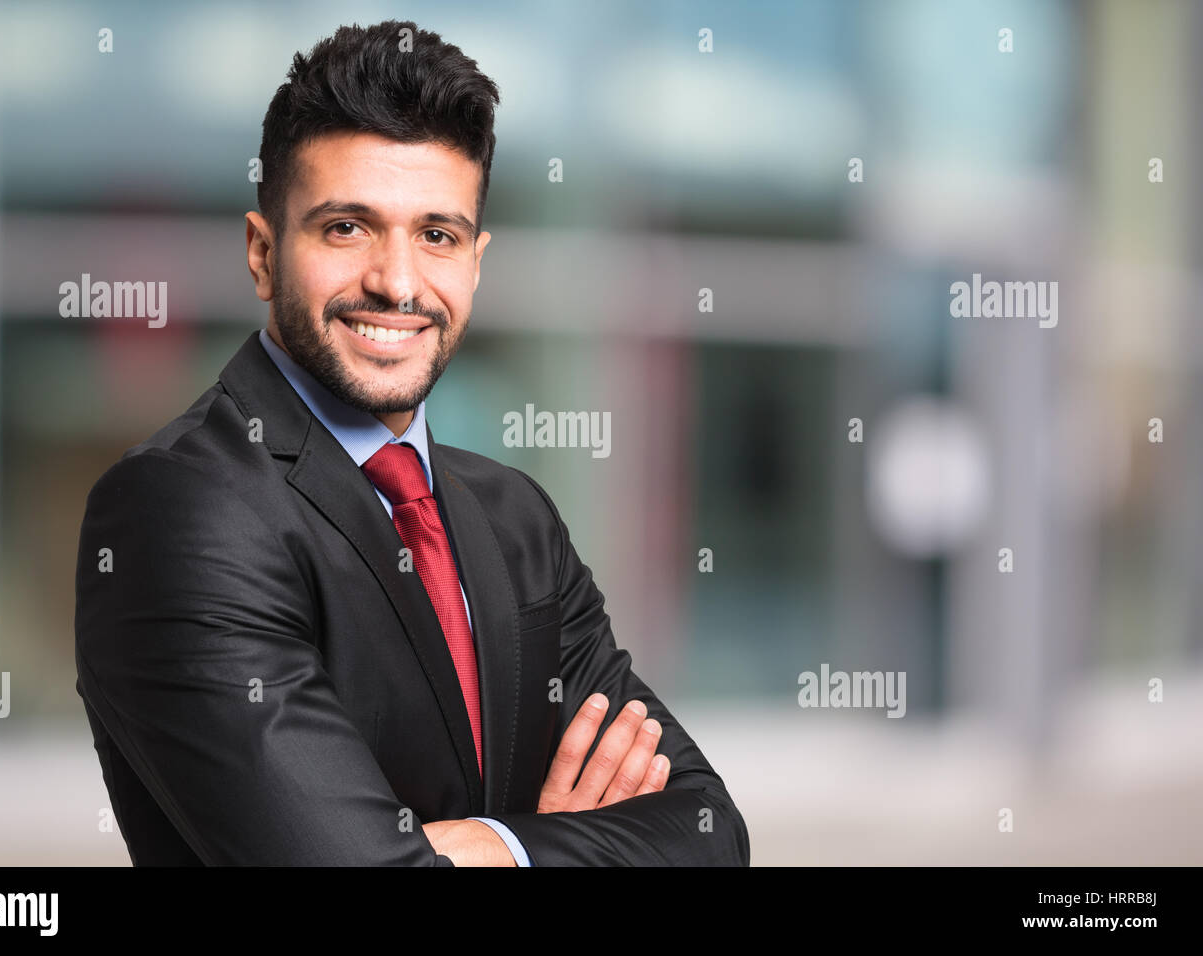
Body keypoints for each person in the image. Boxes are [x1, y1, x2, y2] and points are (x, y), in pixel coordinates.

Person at [74, 19, 749, 866]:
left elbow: (709, 831)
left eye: (437, 235)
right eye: (347, 227)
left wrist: (494, 847)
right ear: (261, 253)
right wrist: (557, 841)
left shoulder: (513, 517)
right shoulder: (180, 509)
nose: (397, 283)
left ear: (474, 262)